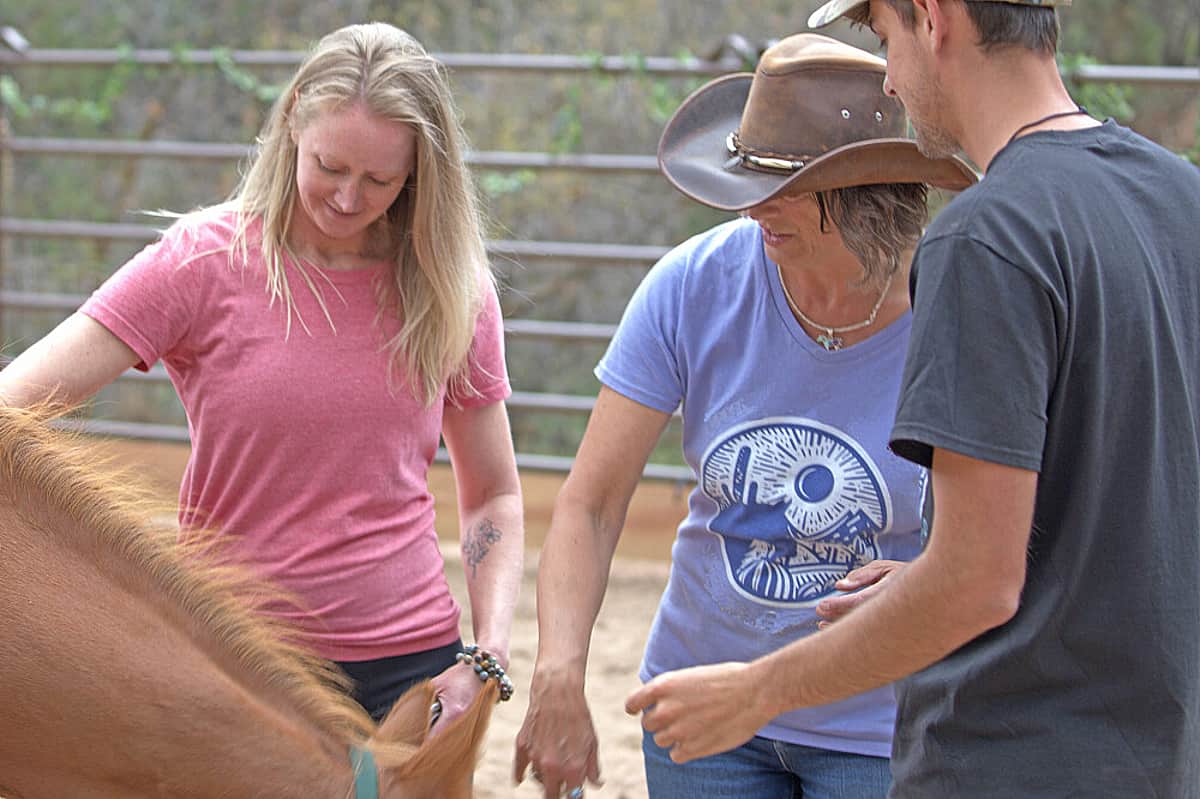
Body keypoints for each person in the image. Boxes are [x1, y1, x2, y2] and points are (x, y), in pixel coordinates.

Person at [625, 1, 1200, 796]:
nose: (891, 77)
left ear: (934, 19)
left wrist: (756, 690)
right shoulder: (1179, 196)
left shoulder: (986, 237)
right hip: (1155, 751)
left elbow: (975, 581)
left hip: (1008, 754)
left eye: (887, 39)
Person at [0, 22, 525, 729]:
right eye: (329, 166)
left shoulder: (450, 287)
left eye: (379, 180)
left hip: (409, 669)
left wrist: (486, 655)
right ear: (293, 117)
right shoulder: (200, 261)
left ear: (419, 173)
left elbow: (492, 492)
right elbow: (19, 401)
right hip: (233, 658)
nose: (347, 197)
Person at [513, 33, 976, 799]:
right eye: (748, 176)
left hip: (880, 725)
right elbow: (591, 504)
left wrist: (934, 572)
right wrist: (559, 670)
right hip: (705, 710)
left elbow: (1024, 522)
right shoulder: (694, 286)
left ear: (872, 194)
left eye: (790, 184)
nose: (756, 205)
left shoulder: (957, 312)